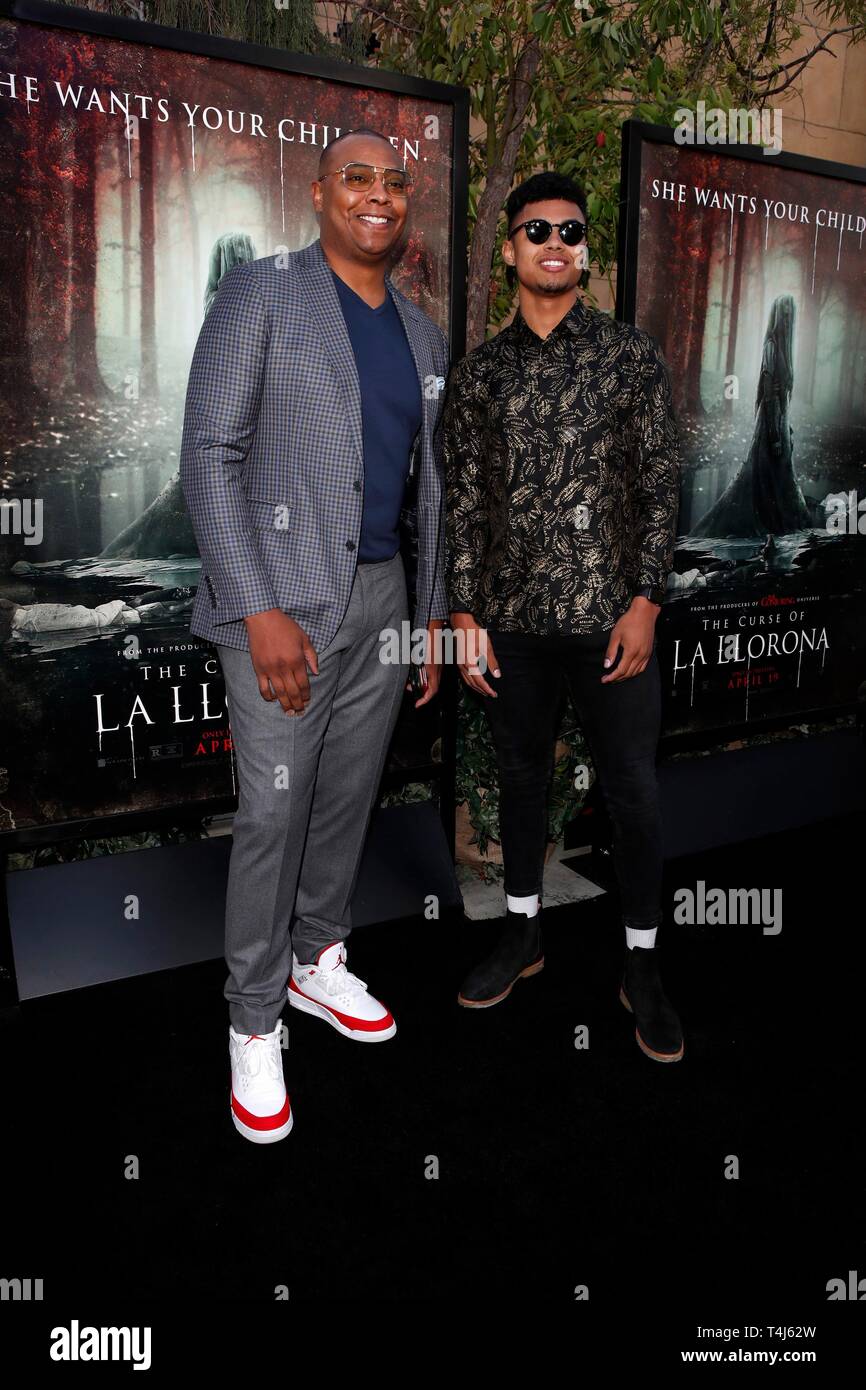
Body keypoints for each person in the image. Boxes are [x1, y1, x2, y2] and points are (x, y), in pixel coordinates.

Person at [180, 128, 449, 1142]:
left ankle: (316, 959)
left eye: (392, 182)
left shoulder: (423, 338)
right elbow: (208, 453)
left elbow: (431, 490)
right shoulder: (263, 293)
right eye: (356, 178)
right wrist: (257, 611)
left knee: (345, 798)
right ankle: (252, 1018)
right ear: (318, 191)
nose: (376, 196)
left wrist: (423, 622)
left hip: (381, 600)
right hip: (280, 607)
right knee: (272, 818)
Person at [442, 171, 684, 1062]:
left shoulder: (630, 357)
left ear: (585, 252)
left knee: (636, 795)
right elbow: (463, 504)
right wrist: (463, 613)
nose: (554, 243)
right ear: (510, 249)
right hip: (512, 627)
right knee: (520, 783)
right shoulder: (479, 376)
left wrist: (648, 600)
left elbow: (661, 487)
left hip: (612, 625)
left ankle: (645, 965)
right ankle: (521, 933)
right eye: (536, 229)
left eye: (571, 232)